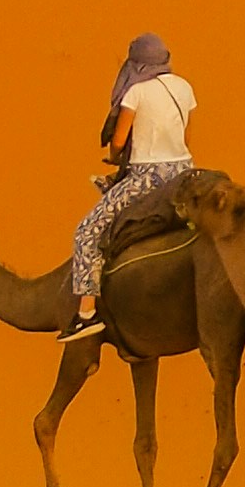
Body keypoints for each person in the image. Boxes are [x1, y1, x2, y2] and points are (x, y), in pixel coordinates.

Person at [66, 33, 196, 343]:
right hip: (185, 173)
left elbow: (119, 141)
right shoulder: (184, 87)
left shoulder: (135, 92)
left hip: (147, 178)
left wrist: (114, 157)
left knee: (87, 231)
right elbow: (186, 139)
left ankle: (86, 314)